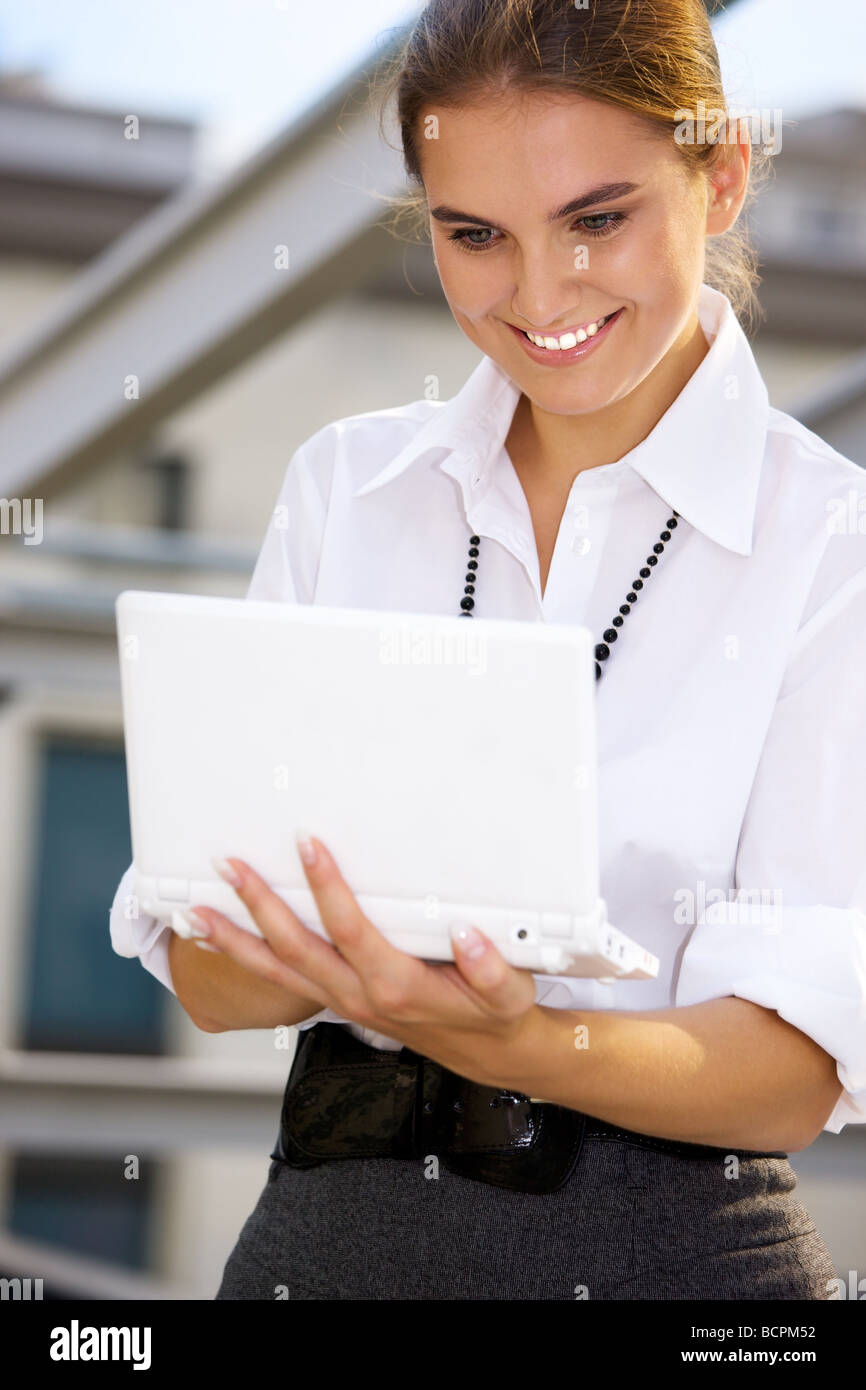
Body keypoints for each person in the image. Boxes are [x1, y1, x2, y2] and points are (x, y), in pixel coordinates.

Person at [109, 0, 866, 1300]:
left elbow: (789, 1074)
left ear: (723, 173)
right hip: (326, 1239)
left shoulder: (829, 546)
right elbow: (211, 985)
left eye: (597, 219)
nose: (539, 294)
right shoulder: (345, 488)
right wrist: (313, 957)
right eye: (475, 235)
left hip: (668, 1262)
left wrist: (519, 1036)